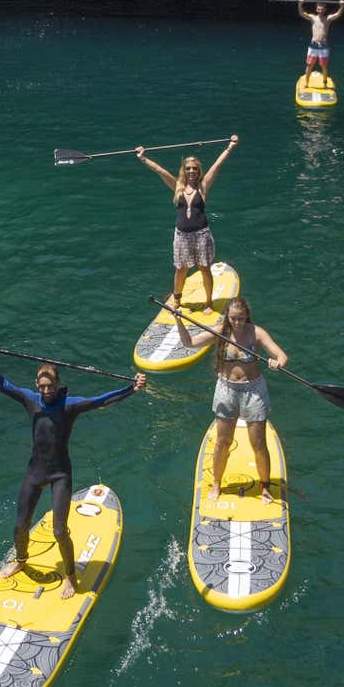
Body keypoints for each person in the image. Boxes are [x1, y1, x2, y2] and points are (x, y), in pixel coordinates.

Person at [0, 343, 146, 598]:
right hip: (35, 473)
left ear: (58, 384)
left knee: (60, 530)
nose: (46, 390)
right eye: (42, 386)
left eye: (50, 386)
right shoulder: (30, 399)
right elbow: (1, 384)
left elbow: (102, 400)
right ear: (37, 385)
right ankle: (21, 560)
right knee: (19, 527)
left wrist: (132, 389)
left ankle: (71, 576)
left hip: (60, 474)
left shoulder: (70, 405)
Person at [175, 296, 287, 502]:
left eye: (241, 319)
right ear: (227, 317)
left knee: (259, 443)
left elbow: (281, 356)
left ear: (247, 317)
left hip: (253, 390)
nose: (237, 323)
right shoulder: (220, 332)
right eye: (234, 319)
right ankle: (217, 484)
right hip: (226, 389)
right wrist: (179, 320)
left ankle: (265, 487)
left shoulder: (257, 333)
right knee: (223, 441)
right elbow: (188, 343)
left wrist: (277, 363)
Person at [136, 136, 238, 309]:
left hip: (201, 235)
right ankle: (176, 299)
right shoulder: (177, 186)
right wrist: (143, 157)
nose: (191, 171)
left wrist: (230, 146)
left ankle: (208, 303)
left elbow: (217, 165)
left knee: (204, 268)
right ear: (184, 170)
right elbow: (160, 171)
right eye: (188, 168)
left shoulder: (203, 186)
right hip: (181, 235)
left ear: (198, 171)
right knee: (181, 269)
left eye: (195, 169)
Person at [297, 0, 344, 84]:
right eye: (319, 9)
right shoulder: (313, 18)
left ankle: (325, 82)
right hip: (313, 45)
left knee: (324, 66)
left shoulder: (328, 18)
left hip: (324, 46)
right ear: (316, 9)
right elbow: (302, 13)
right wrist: (300, 4)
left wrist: (342, 6)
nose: (320, 11)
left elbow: (338, 14)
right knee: (309, 65)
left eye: (322, 9)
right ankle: (306, 83)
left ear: (325, 10)